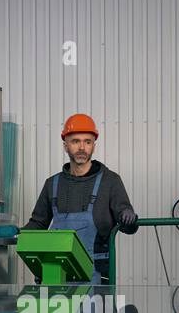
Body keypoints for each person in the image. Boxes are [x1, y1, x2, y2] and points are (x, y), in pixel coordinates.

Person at [23, 113, 139, 284]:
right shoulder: (52, 184)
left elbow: (129, 227)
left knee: (97, 312)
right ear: (65, 145)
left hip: (96, 279)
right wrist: (19, 234)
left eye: (87, 141)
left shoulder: (110, 181)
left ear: (94, 146)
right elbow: (38, 223)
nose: (82, 147)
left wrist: (129, 218)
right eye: (75, 141)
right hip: (56, 277)